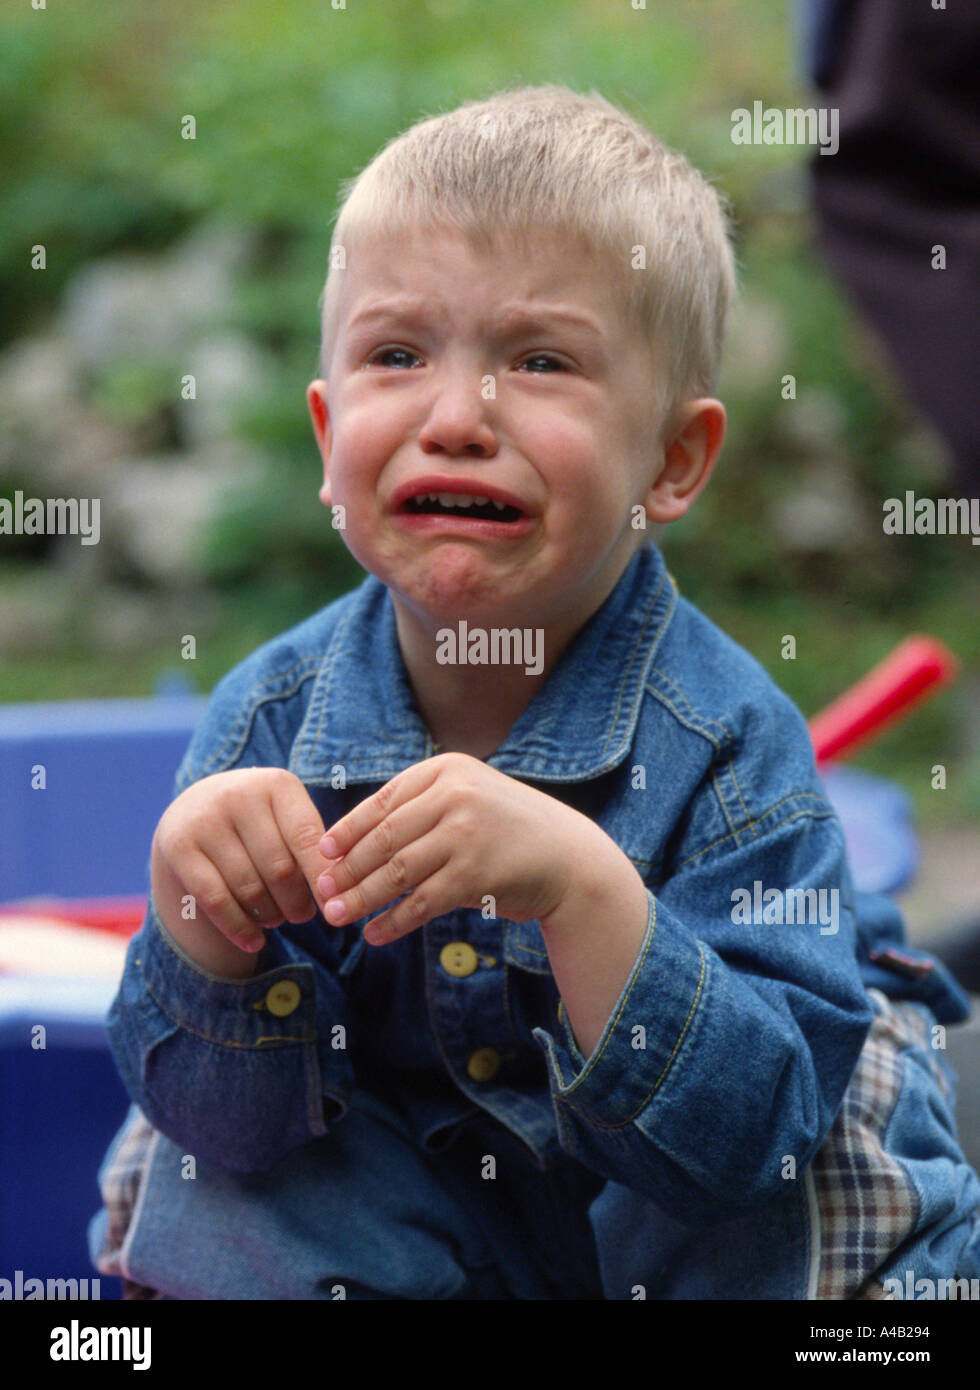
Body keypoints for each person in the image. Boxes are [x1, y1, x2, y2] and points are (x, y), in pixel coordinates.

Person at [89, 84, 980, 1300]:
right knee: (184, 1169)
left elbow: (746, 1139)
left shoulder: (724, 746)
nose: (457, 417)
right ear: (326, 430)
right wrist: (204, 938)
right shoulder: (267, 722)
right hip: (419, 1221)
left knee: (846, 1128)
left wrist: (584, 891)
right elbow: (241, 1135)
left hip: (670, 1233)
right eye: (396, 355)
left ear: (670, 460)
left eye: (540, 360)